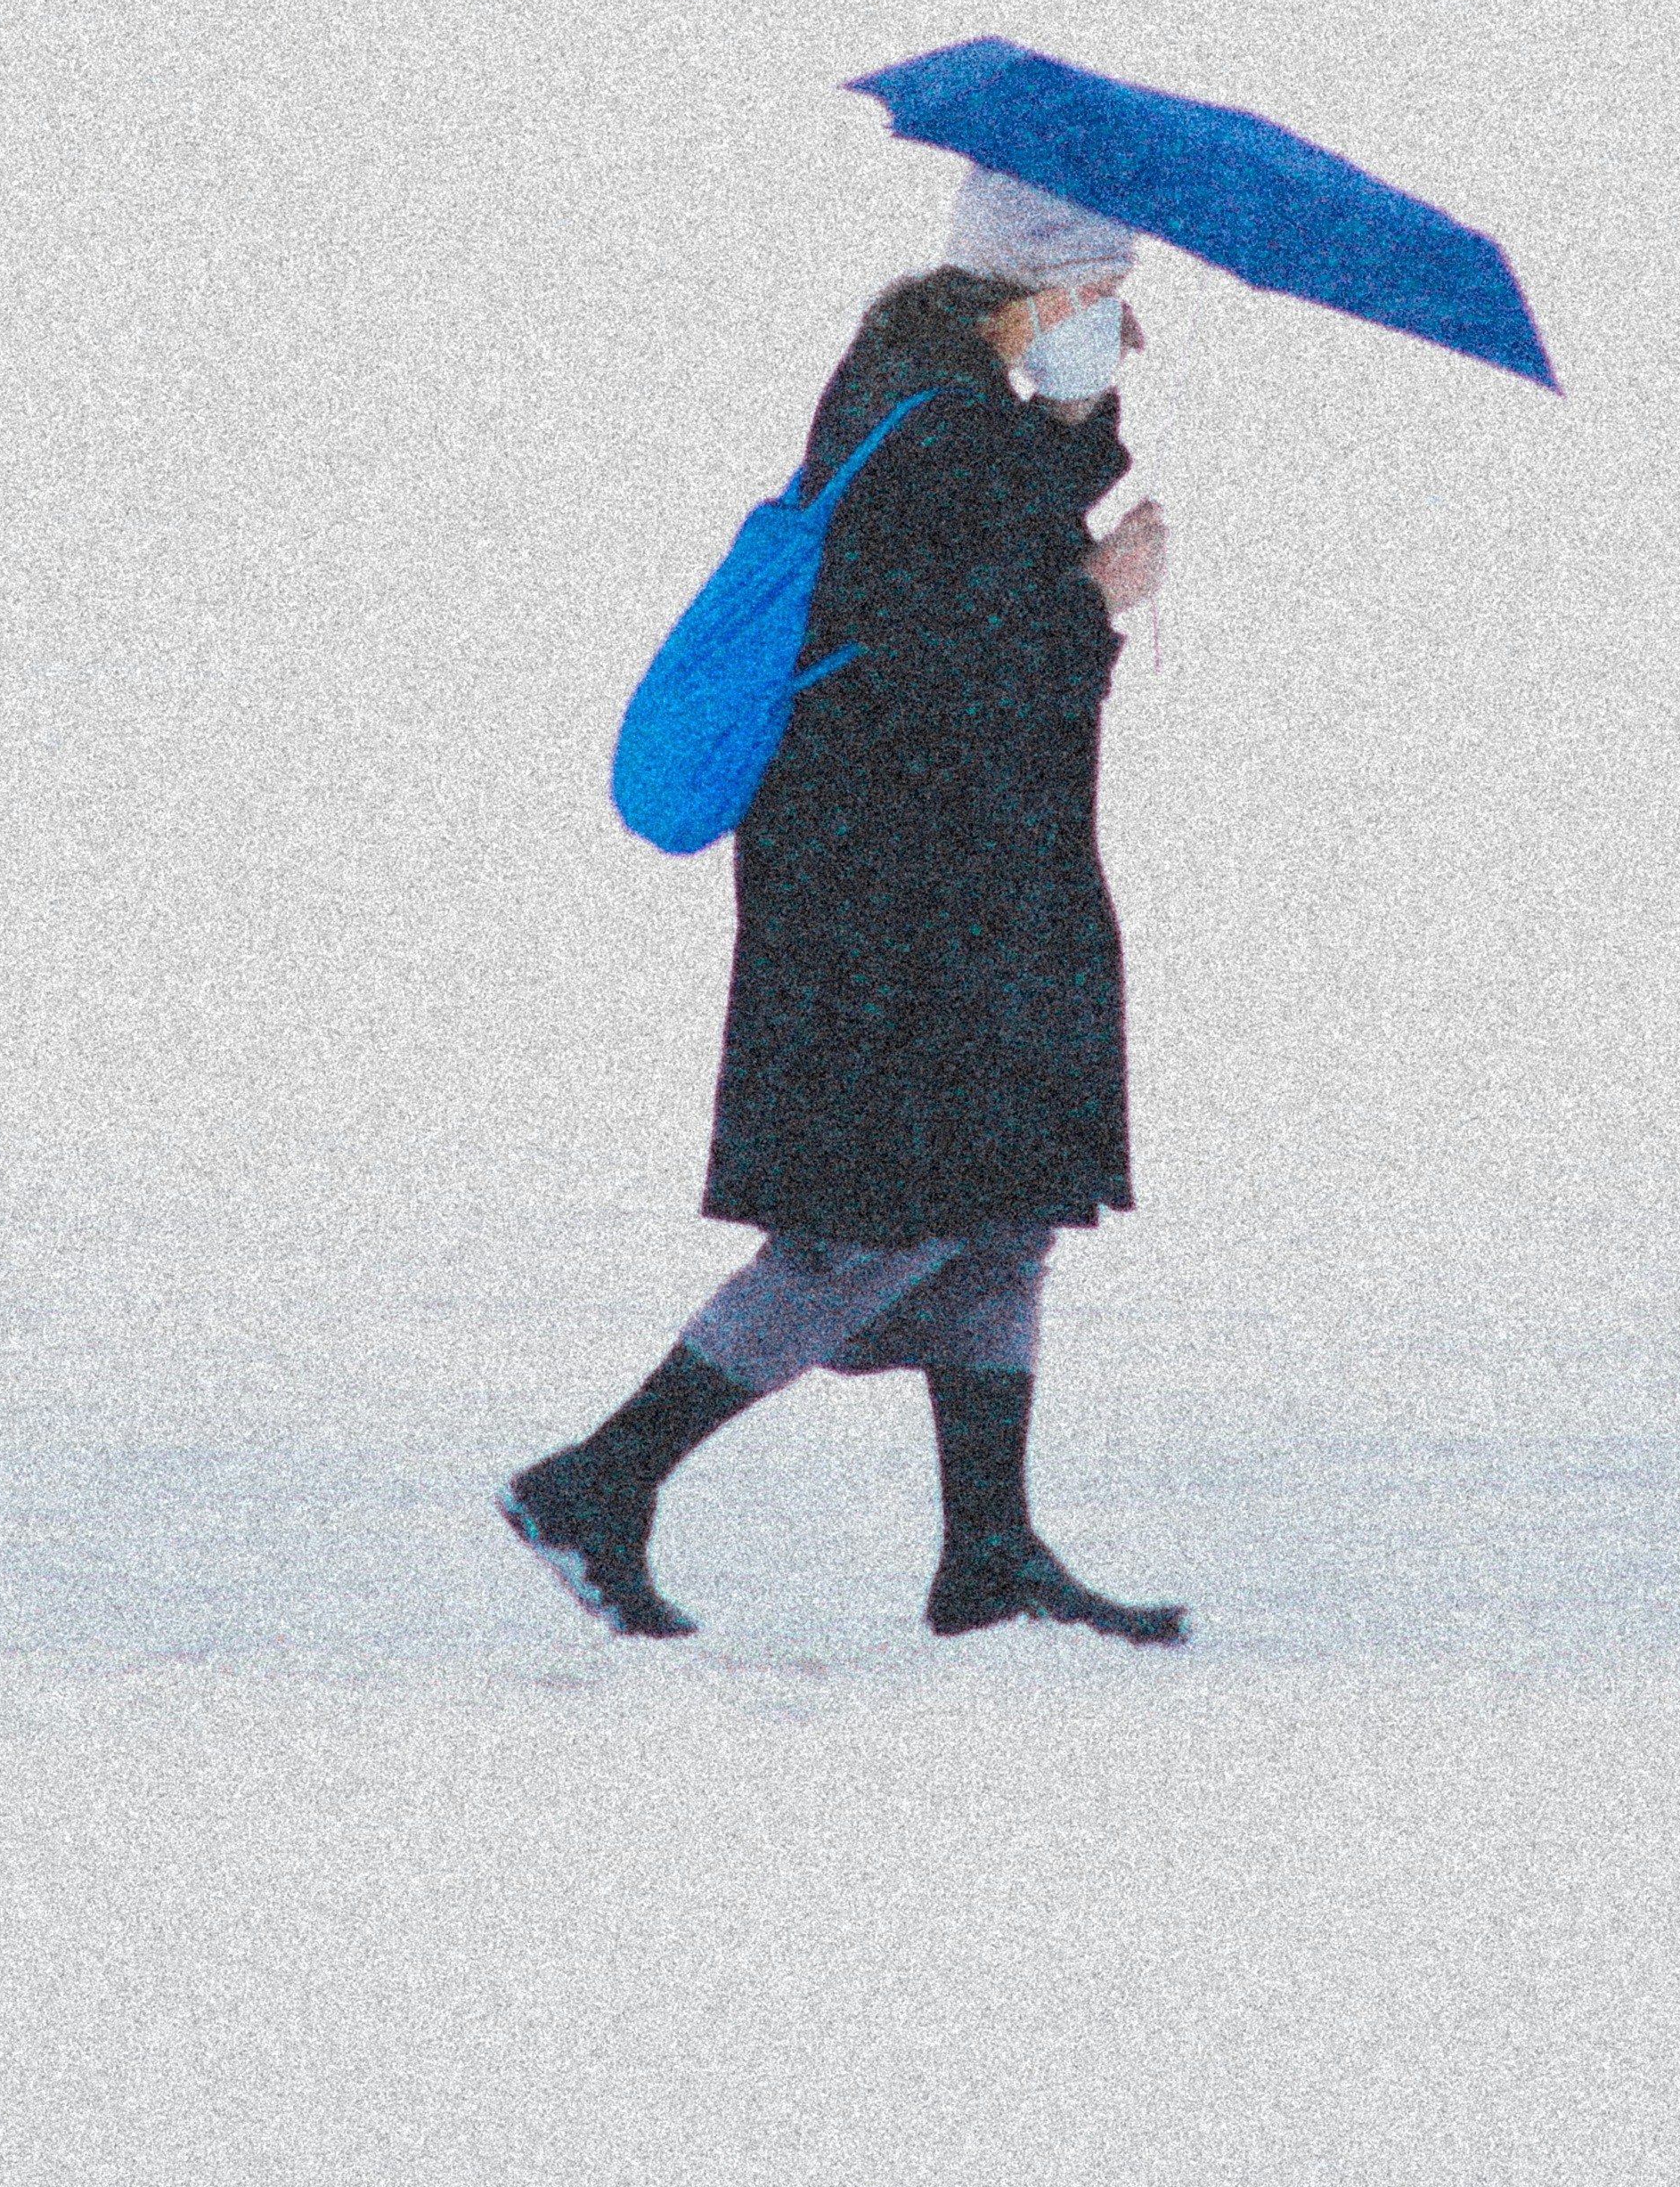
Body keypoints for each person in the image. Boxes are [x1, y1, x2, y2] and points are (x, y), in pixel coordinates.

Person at [500, 165, 1183, 1646]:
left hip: (944, 876)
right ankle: (598, 1483)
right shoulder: (935, 428)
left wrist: (1069, 443)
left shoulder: (931, 403)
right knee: (875, 1221)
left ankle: (988, 1550)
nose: (1122, 331)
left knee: (1002, 1207)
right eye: (1105, 299)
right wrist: (1096, 596)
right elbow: (951, 665)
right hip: (895, 894)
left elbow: (952, 576)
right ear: (1035, 293)